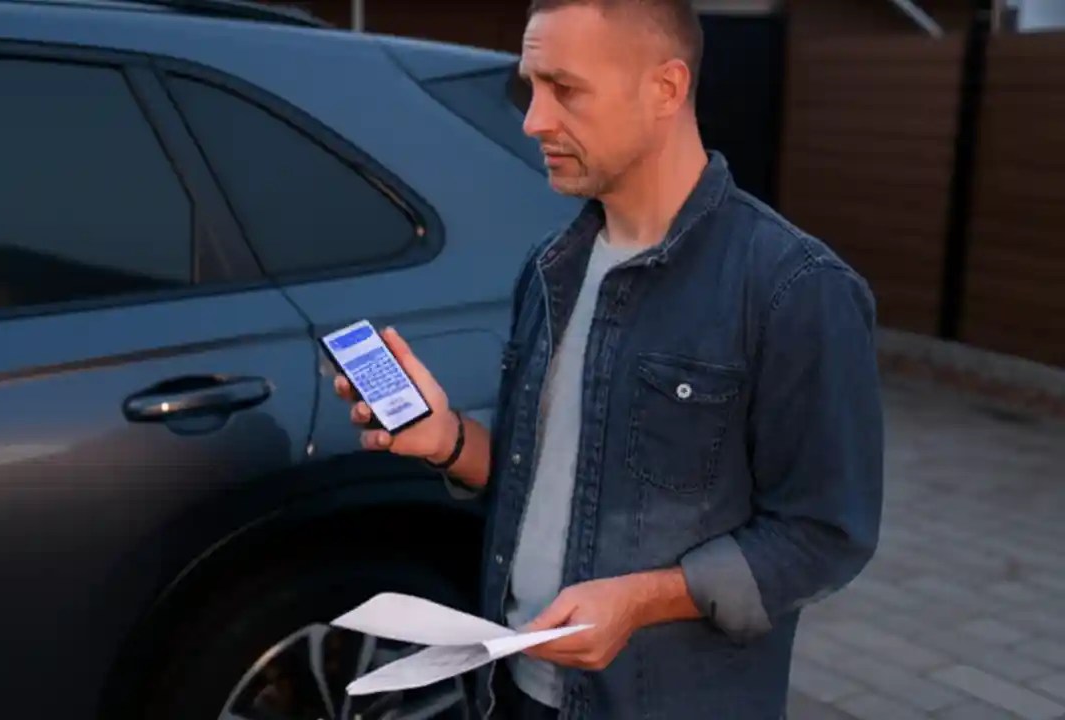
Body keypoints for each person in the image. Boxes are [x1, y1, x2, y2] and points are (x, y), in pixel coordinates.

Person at [333, 0, 885, 717]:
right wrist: (451, 442)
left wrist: (643, 603)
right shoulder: (550, 268)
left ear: (665, 89)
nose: (533, 120)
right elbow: (553, 482)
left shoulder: (795, 289)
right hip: (514, 690)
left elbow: (825, 534)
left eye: (566, 89)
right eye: (531, 88)